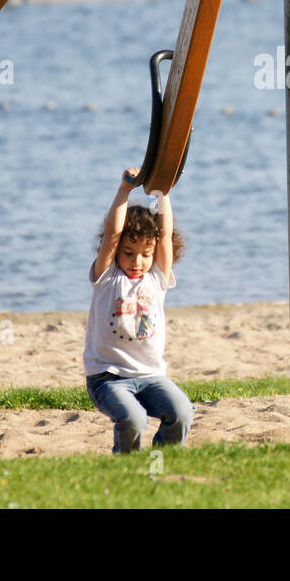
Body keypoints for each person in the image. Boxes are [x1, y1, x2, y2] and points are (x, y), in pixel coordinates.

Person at [83, 169, 194, 453]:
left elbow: (165, 234)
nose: (137, 261)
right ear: (118, 251)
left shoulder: (156, 279)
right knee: (134, 419)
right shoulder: (107, 276)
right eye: (129, 252)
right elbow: (113, 232)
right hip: (108, 378)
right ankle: (127, 470)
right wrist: (124, 190)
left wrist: (163, 194)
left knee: (181, 413)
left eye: (145, 254)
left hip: (151, 376)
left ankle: (158, 465)